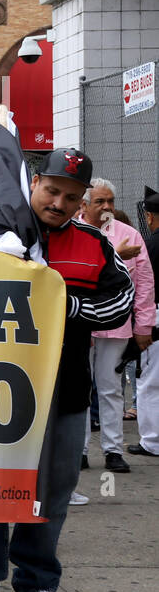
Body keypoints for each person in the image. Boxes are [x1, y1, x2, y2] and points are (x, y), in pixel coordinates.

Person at [0, 148, 133, 592]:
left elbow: (120, 303)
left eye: (72, 197)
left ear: (83, 200)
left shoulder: (93, 242)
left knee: (53, 490)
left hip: (64, 390)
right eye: (51, 191)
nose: (59, 204)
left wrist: (64, 308)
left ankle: (36, 584)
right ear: (34, 184)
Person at [78, 178, 153, 473]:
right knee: (80, 389)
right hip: (81, 324)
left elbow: (144, 284)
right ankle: (79, 450)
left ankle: (112, 450)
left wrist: (144, 325)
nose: (108, 206)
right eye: (100, 202)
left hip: (117, 325)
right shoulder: (71, 233)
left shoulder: (129, 234)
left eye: (110, 201)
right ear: (84, 205)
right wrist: (115, 257)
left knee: (111, 389)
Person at [133, 187, 159, 459]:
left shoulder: (149, 246)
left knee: (150, 381)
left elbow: (141, 287)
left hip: (155, 315)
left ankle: (152, 441)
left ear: (150, 217)